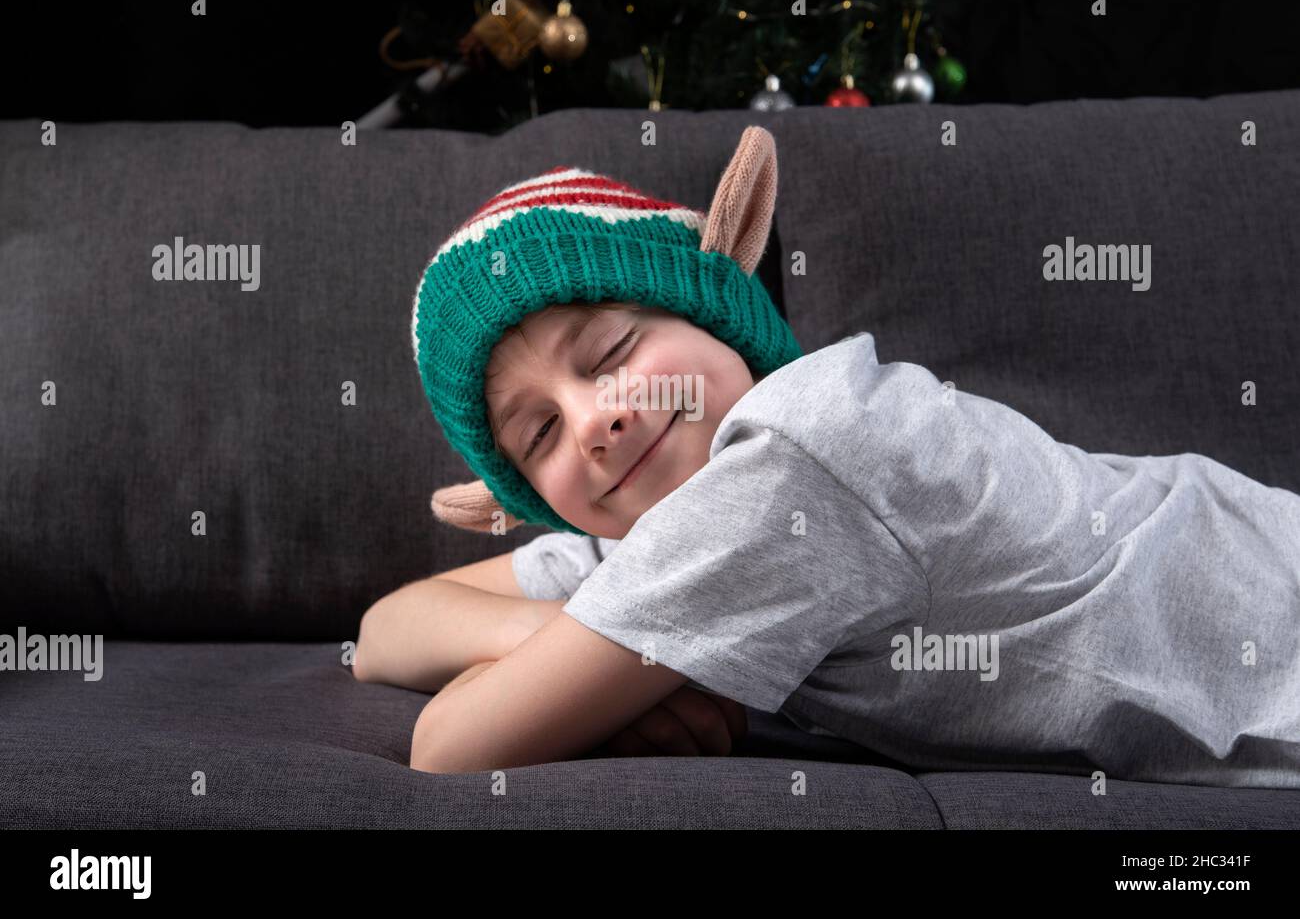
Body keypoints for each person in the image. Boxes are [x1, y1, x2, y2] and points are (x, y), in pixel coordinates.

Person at [377, 126, 1300, 786]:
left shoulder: (790, 462)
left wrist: (589, 661)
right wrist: (560, 639)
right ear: (528, 491)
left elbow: (450, 747)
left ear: (711, 309)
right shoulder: (648, 532)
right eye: (538, 434)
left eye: (612, 353)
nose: (593, 422)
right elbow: (388, 626)